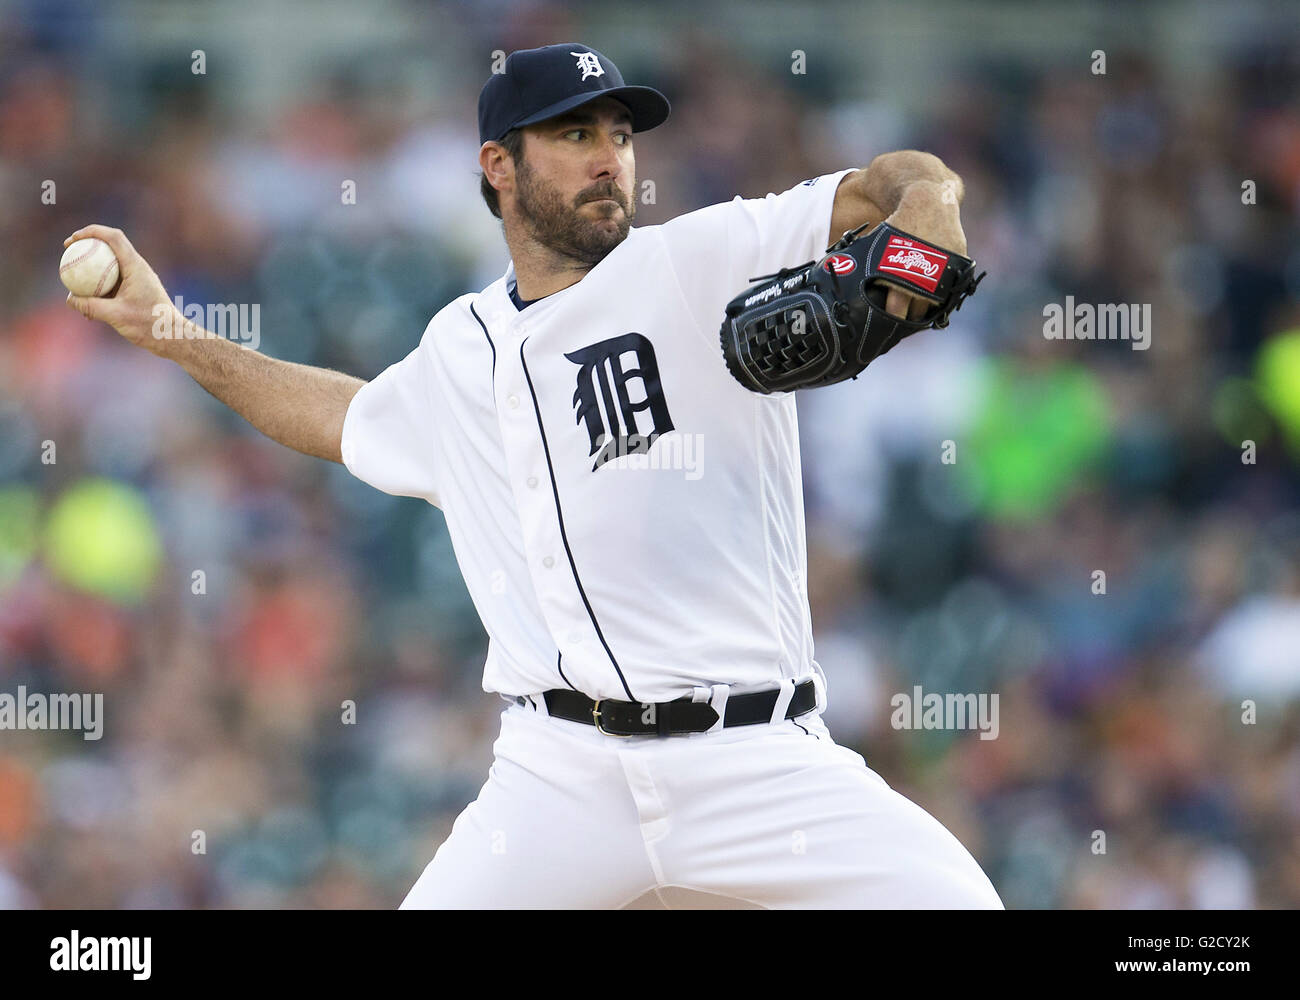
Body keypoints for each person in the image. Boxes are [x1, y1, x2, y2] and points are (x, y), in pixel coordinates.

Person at [65, 42, 1001, 909]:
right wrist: (168, 333)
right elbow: (339, 416)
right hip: (561, 775)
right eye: (574, 133)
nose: (609, 156)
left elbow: (895, 182)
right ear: (497, 166)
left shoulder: (704, 257)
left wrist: (929, 204)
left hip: (754, 755)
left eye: (621, 134)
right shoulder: (458, 346)